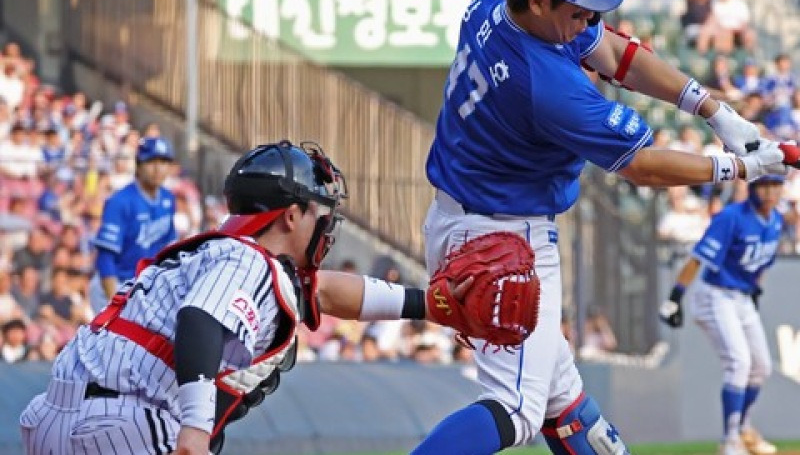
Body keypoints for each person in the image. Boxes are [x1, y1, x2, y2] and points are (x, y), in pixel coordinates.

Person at [416, 0, 786, 455]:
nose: (592, 20)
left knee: (562, 401)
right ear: (539, 0)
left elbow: (616, 55)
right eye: (581, 10)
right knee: (517, 407)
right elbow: (642, 167)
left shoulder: (493, 1)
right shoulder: (549, 86)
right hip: (501, 239)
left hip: (467, 219)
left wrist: (712, 108)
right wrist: (738, 169)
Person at [20, 140, 471, 455]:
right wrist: (196, 429)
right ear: (291, 216)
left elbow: (328, 292)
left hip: (53, 417)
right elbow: (198, 319)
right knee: (273, 349)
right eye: (319, 212)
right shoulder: (249, 263)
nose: (326, 226)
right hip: (121, 426)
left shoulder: (215, 251)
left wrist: (431, 306)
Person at [659, 175, 786, 455]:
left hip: (741, 297)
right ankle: (730, 441)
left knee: (761, 367)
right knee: (739, 363)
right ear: (752, 188)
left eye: (774, 185)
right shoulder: (731, 217)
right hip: (714, 294)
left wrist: (754, 289)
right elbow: (697, 258)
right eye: (763, 185)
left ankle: (744, 429)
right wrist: (674, 298)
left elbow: (761, 265)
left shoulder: (776, 220)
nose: (769, 192)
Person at [91, 136, 178, 311]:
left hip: (145, 285)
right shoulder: (120, 201)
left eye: (164, 162)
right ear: (139, 165)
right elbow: (105, 258)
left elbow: (169, 246)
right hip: (115, 283)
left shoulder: (168, 198)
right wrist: (115, 302)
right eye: (151, 161)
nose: (158, 168)